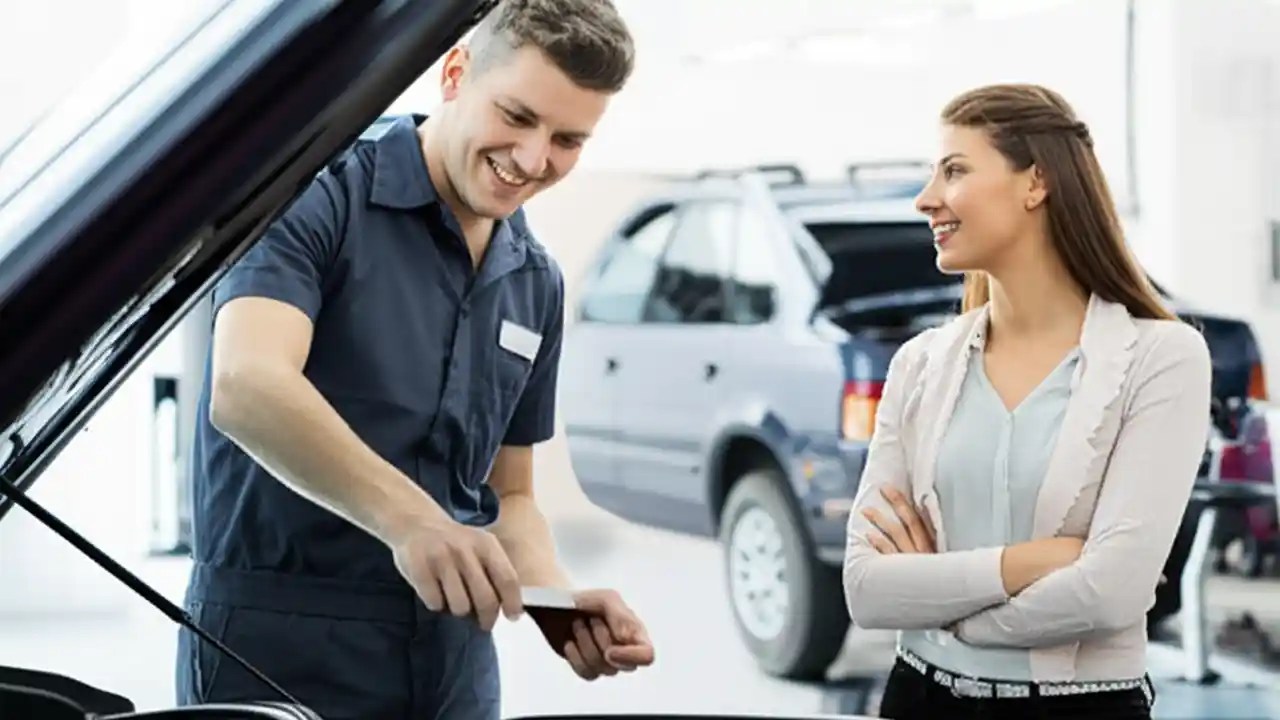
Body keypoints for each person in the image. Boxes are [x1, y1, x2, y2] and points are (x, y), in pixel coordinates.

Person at [174, 1, 653, 717]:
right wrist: (415, 523)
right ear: (455, 73)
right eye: (517, 117)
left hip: (451, 663)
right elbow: (246, 384)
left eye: (567, 139)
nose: (532, 159)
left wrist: (555, 601)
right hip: (279, 646)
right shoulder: (316, 194)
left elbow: (510, 496)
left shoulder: (535, 282)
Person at [842, 83, 1211, 720]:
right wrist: (1032, 563)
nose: (926, 198)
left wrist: (948, 614)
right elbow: (867, 591)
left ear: (1035, 182)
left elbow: (1110, 595)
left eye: (954, 170)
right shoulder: (919, 364)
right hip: (917, 701)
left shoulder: (1163, 358)